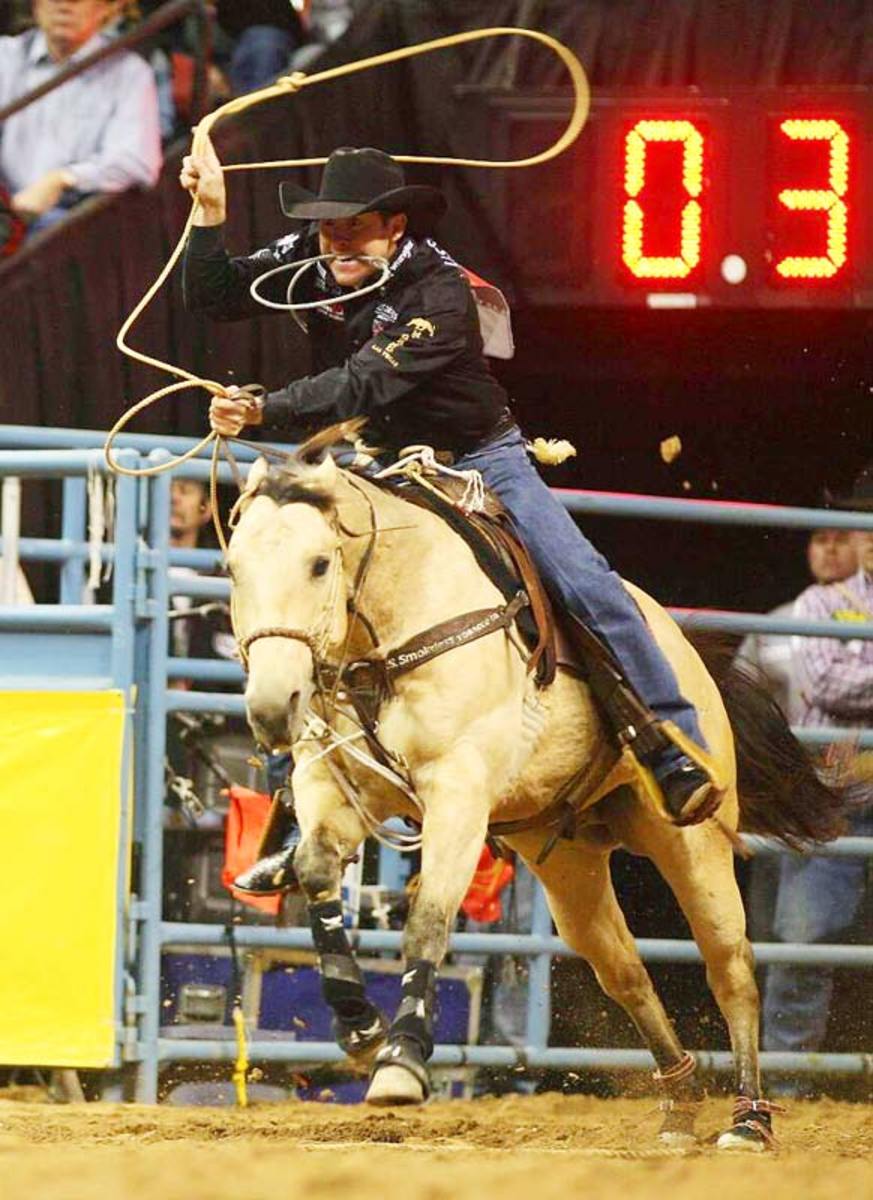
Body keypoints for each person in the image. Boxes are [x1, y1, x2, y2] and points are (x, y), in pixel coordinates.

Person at [179, 142, 719, 826]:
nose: (338, 238)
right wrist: (209, 214)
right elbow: (212, 295)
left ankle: (672, 748)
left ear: (394, 226)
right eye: (329, 225)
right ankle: (305, 785)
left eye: (357, 224)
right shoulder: (310, 258)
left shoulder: (436, 288)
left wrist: (263, 408)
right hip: (378, 463)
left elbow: (365, 378)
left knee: (584, 582)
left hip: (477, 458)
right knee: (309, 590)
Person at [761, 465, 873, 1091]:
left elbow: (839, 680)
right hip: (835, 794)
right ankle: (782, 1086)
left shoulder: (819, 606)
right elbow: (825, 682)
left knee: (802, 939)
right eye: (865, 524)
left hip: (842, 789)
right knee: (800, 940)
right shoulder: (820, 603)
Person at [738, 527, 859, 943]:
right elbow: (743, 700)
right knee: (765, 933)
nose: (828, 549)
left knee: (804, 940)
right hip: (786, 792)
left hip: (848, 793)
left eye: (842, 538)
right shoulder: (776, 623)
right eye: (820, 539)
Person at [0, 0, 162, 233]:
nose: (64, 7)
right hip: (6, 206)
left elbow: (136, 161)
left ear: (107, 9)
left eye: (76, 0)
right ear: (36, 5)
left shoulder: (129, 73)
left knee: (57, 228)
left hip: (73, 216)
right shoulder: (6, 55)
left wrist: (63, 179)